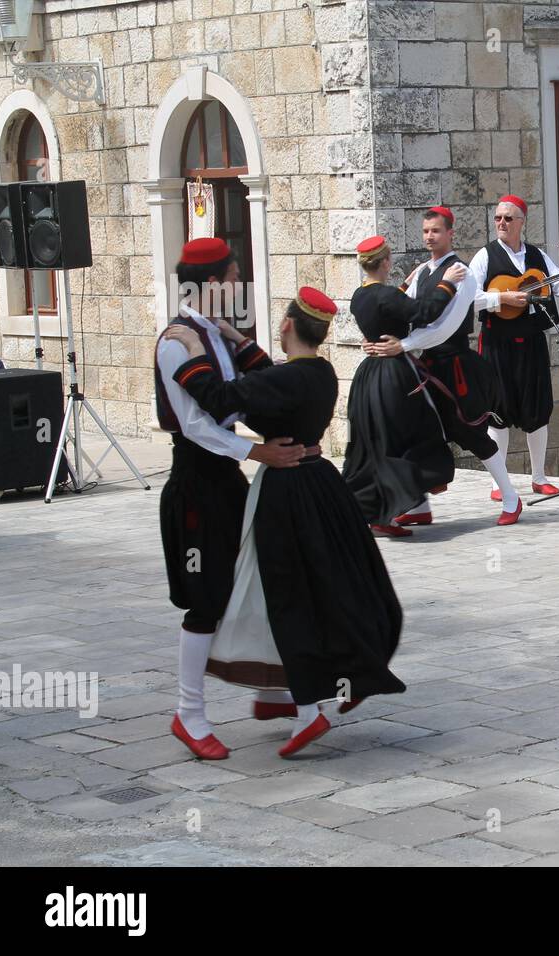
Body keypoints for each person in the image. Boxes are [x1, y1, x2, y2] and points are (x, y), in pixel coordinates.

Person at [164, 288, 406, 756]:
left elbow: (219, 396)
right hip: (321, 483)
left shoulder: (284, 383)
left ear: (286, 327)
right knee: (325, 587)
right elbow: (270, 380)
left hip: (285, 491)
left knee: (288, 595)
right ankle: (292, 696)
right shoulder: (320, 372)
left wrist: (194, 352)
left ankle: (307, 706)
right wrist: (236, 338)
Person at [156, 237, 306, 760]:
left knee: (255, 576)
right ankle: (188, 714)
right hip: (196, 483)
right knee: (206, 597)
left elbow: (248, 390)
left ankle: (269, 693)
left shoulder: (217, 335)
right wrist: (256, 451)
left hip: (224, 480)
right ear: (215, 283)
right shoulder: (176, 340)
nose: (239, 286)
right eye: (235, 277)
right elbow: (196, 425)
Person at [343, 235, 476, 536]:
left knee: (376, 440)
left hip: (368, 377)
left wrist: (404, 286)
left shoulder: (359, 296)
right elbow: (425, 312)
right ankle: (393, 509)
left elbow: (385, 309)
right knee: (415, 433)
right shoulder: (387, 295)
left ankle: (404, 508)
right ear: (386, 262)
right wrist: (448, 283)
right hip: (393, 374)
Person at [402, 206, 523, 525]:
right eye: (426, 231)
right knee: (420, 431)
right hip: (428, 366)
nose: (430, 236)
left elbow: (446, 325)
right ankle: (419, 505)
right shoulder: (422, 273)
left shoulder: (463, 273)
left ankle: (510, 497)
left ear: (450, 233)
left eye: (436, 231)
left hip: (456, 367)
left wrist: (405, 346)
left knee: (471, 433)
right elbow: (410, 312)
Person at [468, 194, 559, 498]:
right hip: (497, 342)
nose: (501, 222)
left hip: (532, 341)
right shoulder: (485, 257)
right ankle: (498, 483)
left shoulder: (537, 256)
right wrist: (502, 299)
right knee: (498, 409)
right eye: (498, 217)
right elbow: (468, 299)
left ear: (522, 222)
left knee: (538, 406)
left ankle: (539, 476)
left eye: (508, 218)